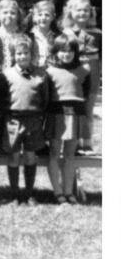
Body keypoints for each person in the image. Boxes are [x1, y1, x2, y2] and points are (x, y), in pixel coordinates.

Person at [0, 34, 50, 205]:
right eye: (19, 53)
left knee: (30, 156)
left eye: (26, 53)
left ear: (32, 54)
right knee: (14, 157)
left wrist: (40, 118)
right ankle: (14, 194)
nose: (22, 56)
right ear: (13, 55)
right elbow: (2, 99)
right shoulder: (6, 75)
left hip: (33, 120)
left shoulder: (41, 74)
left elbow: (45, 99)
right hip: (13, 121)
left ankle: (29, 194)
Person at [45, 34, 91, 204]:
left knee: (70, 154)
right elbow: (46, 95)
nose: (66, 54)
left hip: (76, 114)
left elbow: (86, 93)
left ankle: (69, 191)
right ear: (56, 52)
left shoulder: (84, 70)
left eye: (70, 51)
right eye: (62, 51)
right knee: (54, 153)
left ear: (75, 52)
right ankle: (58, 192)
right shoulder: (49, 71)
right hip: (56, 114)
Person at [61, 0, 101, 154]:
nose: (82, 13)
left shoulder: (98, 33)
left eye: (86, 10)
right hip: (73, 73)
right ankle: (75, 143)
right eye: (78, 10)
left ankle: (88, 143)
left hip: (93, 73)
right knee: (75, 109)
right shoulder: (66, 33)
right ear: (70, 12)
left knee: (88, 109)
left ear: (91, 12)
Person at [0, 0, 25, 156]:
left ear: (18, 16)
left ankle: (13, 143)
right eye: (5, 12)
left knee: (13, 111)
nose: (9, 15)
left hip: (17, 80)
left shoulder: (22, 36)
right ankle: (1, 144)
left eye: (12, 13)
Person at [28, 0, 59, 68]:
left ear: (52, 17)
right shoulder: (28, 35)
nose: (43, 17)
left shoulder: (57, 36)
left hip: (53, 70)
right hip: (33, 71)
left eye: (47, 15)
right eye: (40, 15)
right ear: (34, 17)